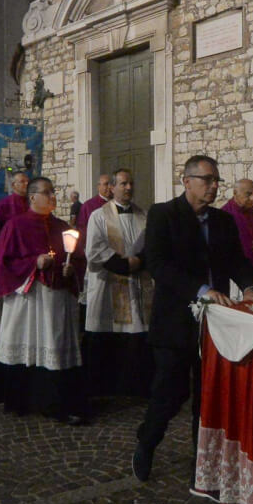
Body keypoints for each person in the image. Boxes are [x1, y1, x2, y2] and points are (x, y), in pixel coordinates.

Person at [132, 155, 253, 482]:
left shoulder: (223, 221)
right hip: (175, 320)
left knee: (209, 394)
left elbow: (236, 260)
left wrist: (249, 287)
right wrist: (201, 289)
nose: (213, 186)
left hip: (216, 322)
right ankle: (147, 442)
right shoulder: (164, 214)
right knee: (170, 391)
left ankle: (202, 460)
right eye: (207, 180)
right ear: (186, 180)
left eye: (216, 181)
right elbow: (159, 264)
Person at [0, 177, 89, 422]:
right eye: (47, 192)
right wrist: (34, 262)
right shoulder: (15, 226)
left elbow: (77, 259)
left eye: (53, 192)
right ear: (32, 197)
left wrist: (71, 270)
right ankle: (21, 399)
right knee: (27, 343)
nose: (53, 196)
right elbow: (1, 264)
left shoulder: (62, 227)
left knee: (55, 343)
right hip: (28, 300)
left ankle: (56, 402)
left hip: (56, 301)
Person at [83, 169, 153, 397]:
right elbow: (94, 250)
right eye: (123, 184)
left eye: (131, 183)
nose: (129, 188)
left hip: (137, 284)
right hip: (109, 283)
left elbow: (151, 246)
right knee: (109, 335)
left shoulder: (144, 216)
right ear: (112, 188)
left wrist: (140, 261)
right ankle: (104, 387)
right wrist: (125, 266)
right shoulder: (99, 216)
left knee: (136, 335)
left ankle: (135, 386)